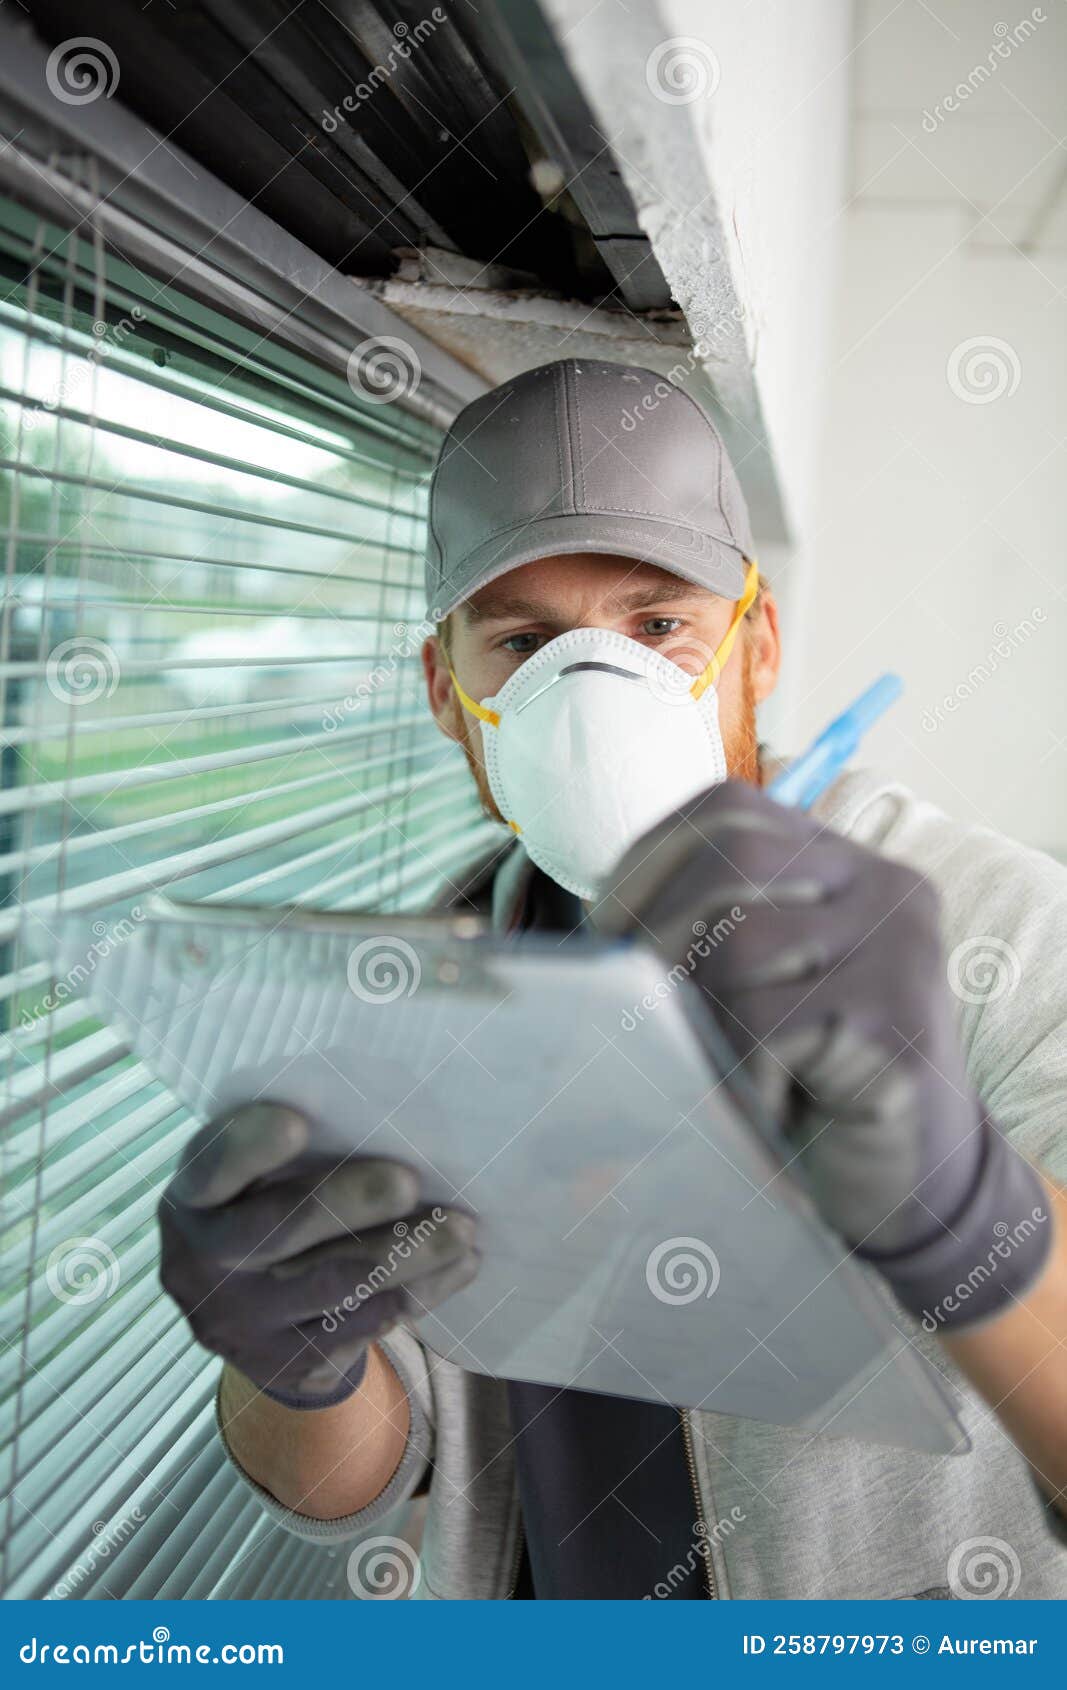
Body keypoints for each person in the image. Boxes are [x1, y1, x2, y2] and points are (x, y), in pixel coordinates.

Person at [159, 358, 1067, 1599]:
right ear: (446, 693)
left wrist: (961, 1205)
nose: (592, 698)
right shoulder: (416, 990)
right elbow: (360, 1482)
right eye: (524, 642)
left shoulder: (998, 932)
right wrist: (291, 1363)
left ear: (755, 647)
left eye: (654, 628)